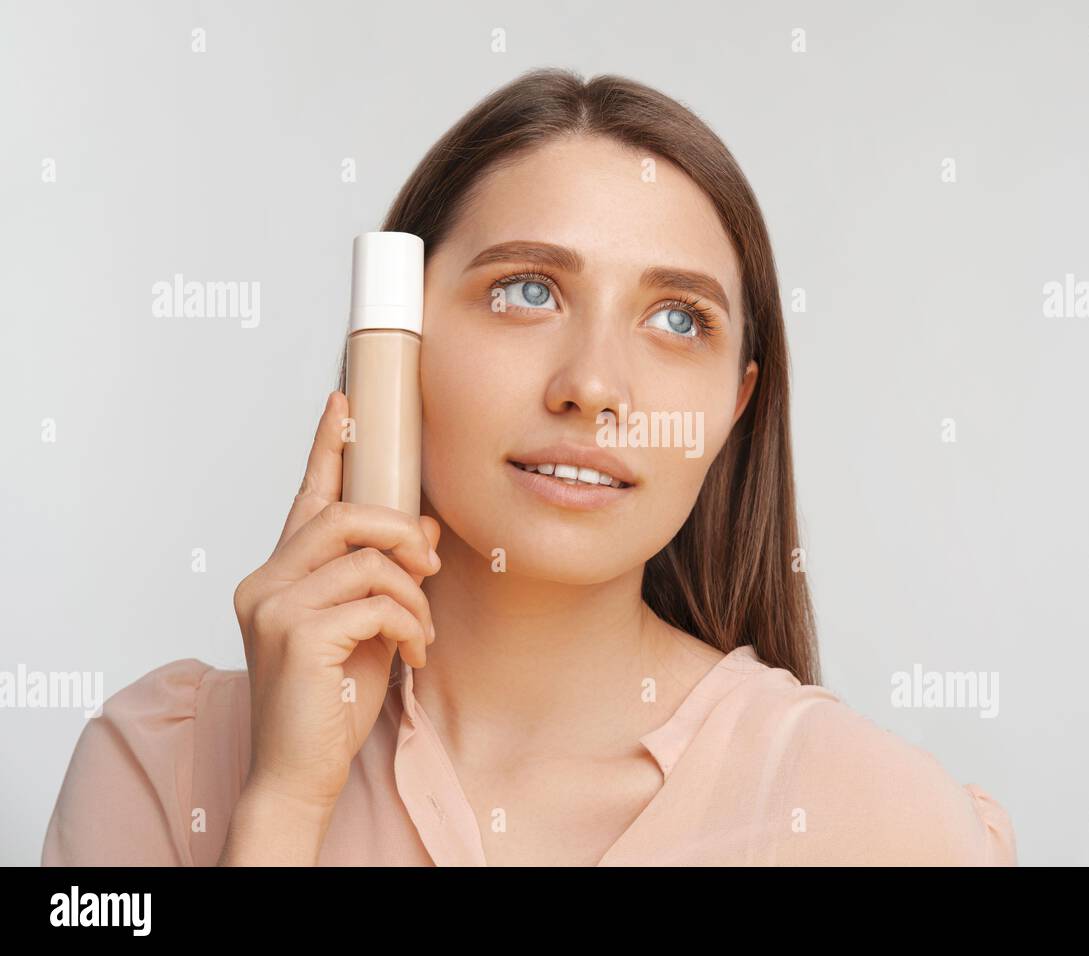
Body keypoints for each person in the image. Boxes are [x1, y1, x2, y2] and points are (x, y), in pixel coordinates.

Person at [41, 68, 1017, 866]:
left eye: (678, 318)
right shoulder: (160, 771)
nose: (593, 384)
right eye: (526, 289)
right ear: (396, 338)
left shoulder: (883, 822)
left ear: (734, 405)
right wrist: (285, 804)